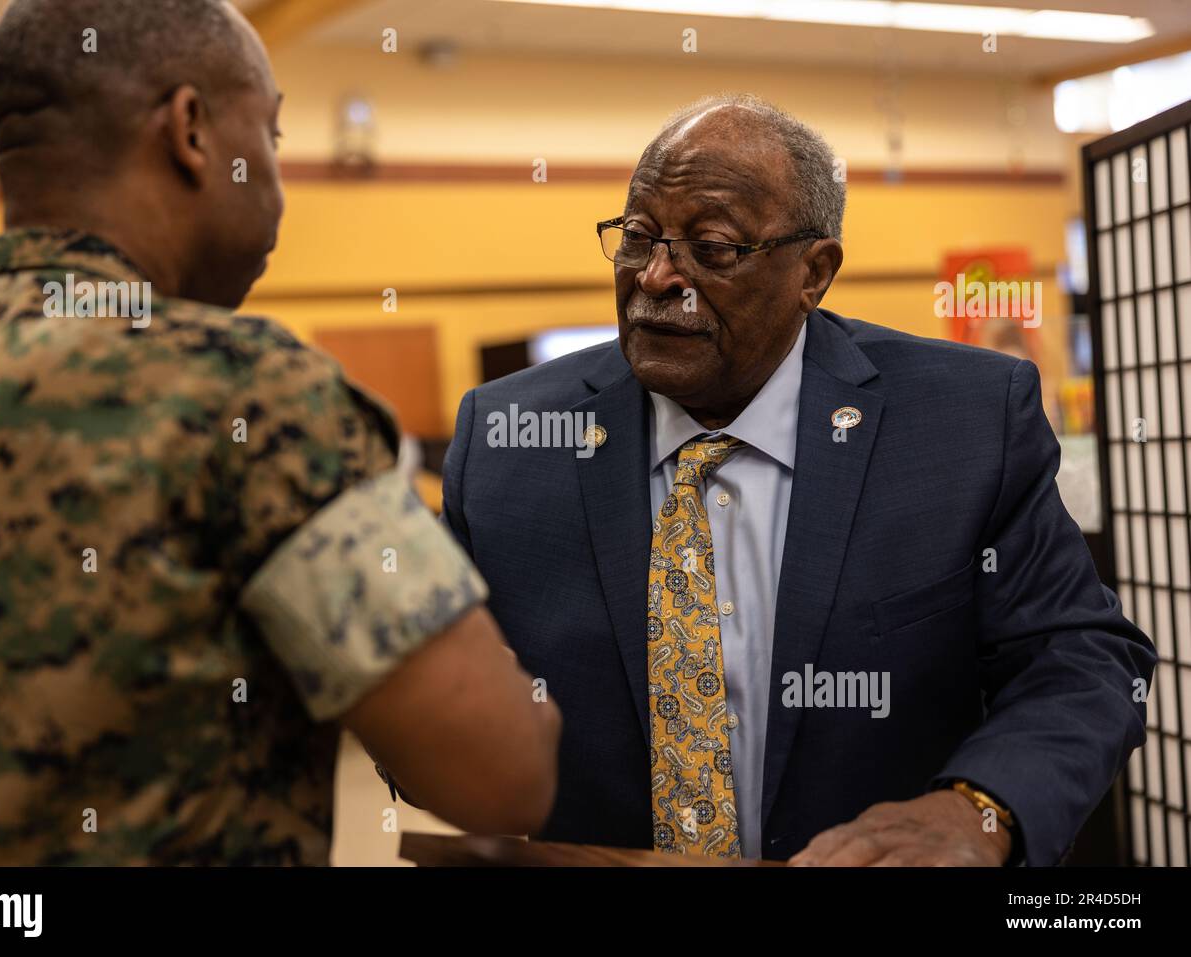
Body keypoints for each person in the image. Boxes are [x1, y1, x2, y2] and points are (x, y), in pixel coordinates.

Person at [0, 0, 559, 866]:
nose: (275, 173)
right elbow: (496, 774)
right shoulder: (248, 392)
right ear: (191, 129)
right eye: (271, 136)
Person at [439, 94, 1155, 865]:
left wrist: (979, 809)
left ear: (813, 271)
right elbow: (422, 694)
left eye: (709, 248)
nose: (654, 276)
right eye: (637, 237)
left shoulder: (965, 424)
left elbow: (1078, 659)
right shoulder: (508, 442)